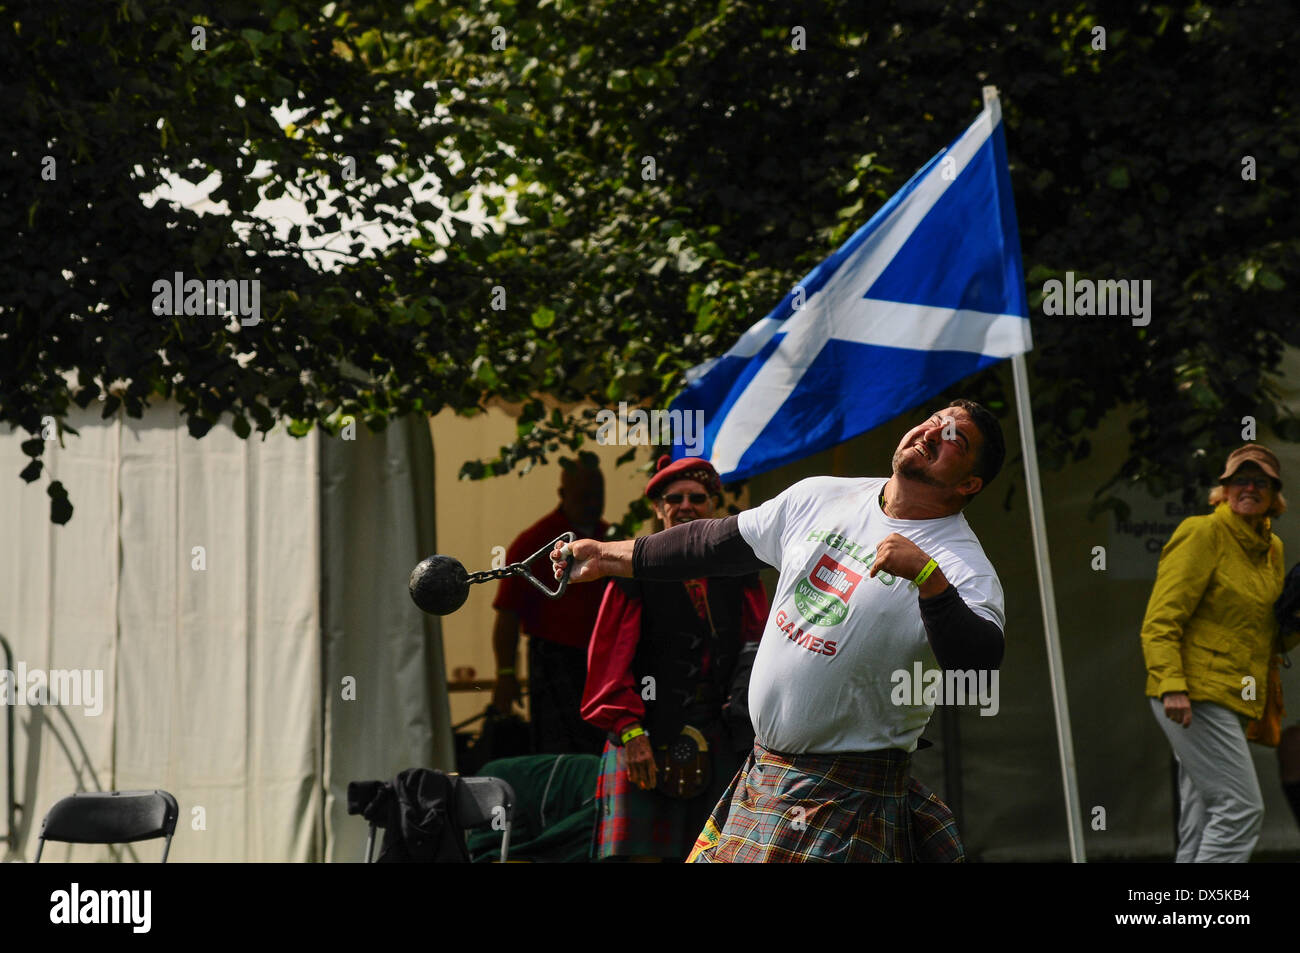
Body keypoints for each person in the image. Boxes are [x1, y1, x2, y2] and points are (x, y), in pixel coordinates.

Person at [553, 399, 1007, 862]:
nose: (933, 433)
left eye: (956, 439)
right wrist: (608, 557)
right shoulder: (820, 496)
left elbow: (978, 661)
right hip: (764, 769)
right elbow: (711, 544)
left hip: (847, 791)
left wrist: (929, 578)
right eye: (933, 422)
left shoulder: (960, 566)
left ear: (970, 483)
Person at [581, 456, 769, 861]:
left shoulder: (741, 574)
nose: (686, 506)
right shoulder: (630, 572)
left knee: (716, 855)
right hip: (643, 736)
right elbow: (609, 663)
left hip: (721, 738)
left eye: (697, 498)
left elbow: (759, 650)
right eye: (674, 498)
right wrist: (629, 731)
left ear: (713, 504)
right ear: (657, 507)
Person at [1141, 443, 1291, 862]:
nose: (1249, 487)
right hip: (1191, 696)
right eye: (1240, 479)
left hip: (1233, 695)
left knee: (1204, 816)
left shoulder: (1271, 549)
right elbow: (1160, 620)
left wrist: (1294, 622)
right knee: (1241, 809)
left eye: (1260, 481)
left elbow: (1263, 635)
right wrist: (1172, 685)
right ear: (1223, 490)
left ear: (1274, 493)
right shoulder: (1202, 532)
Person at [492, 457, 609, 755]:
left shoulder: (611, 538)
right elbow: (507, 614)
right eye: (584, 496)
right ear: (563, 494)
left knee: (602, 743)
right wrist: (506, 673)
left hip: (604, 660)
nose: (593, 503)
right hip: (555, 662)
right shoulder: (535, 542)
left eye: (598, 495)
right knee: (559, 748)